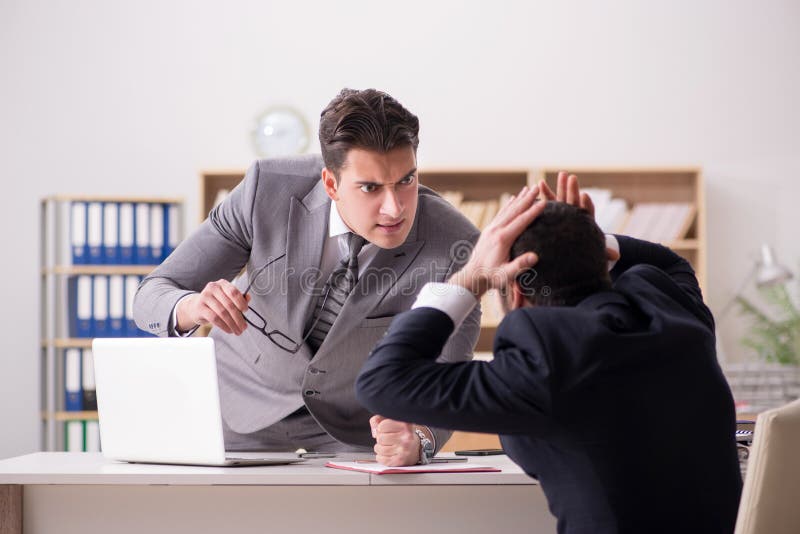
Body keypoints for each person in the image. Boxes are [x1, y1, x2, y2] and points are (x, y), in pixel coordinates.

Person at [356, 174, 742, 533]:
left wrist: (470, 277)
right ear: (604, 263)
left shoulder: (544, 357)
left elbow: (381, 381)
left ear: (517, 292)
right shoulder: (671, 309)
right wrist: (583, 238)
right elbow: (669, 263)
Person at [133, 88, 480, 466]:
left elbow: (449, 376)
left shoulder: (455, 244)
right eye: (370, 187)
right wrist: (193, 306)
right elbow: (152, 294)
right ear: (331, 184)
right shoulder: (265, 190)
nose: (394, 207)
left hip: (354, 432)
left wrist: (420, 440)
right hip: (237, 411)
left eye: (406, 181)